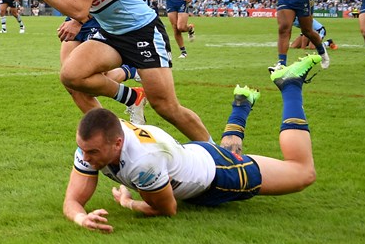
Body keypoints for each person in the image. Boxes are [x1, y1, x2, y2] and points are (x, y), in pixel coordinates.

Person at [64, 54, 322, 233]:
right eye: (83, 149)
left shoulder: (143, 162)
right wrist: (80, 218)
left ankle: (290, 86)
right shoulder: (92, 144)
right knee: (230, 153)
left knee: (302, 172)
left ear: (117, 143)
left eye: (93, 152)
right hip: (193, 155)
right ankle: (241, 106)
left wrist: (127, 203)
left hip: (219, 177)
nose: (85, 157)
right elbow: (72, 201)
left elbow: (167, 209)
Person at [21, 0, 210, 142]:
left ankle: (217, 156)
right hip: (110, 32)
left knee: (166, 107)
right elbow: (81, 1)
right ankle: (132, 99)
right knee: (72, 75)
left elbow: (79, 10)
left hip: (142, 31)